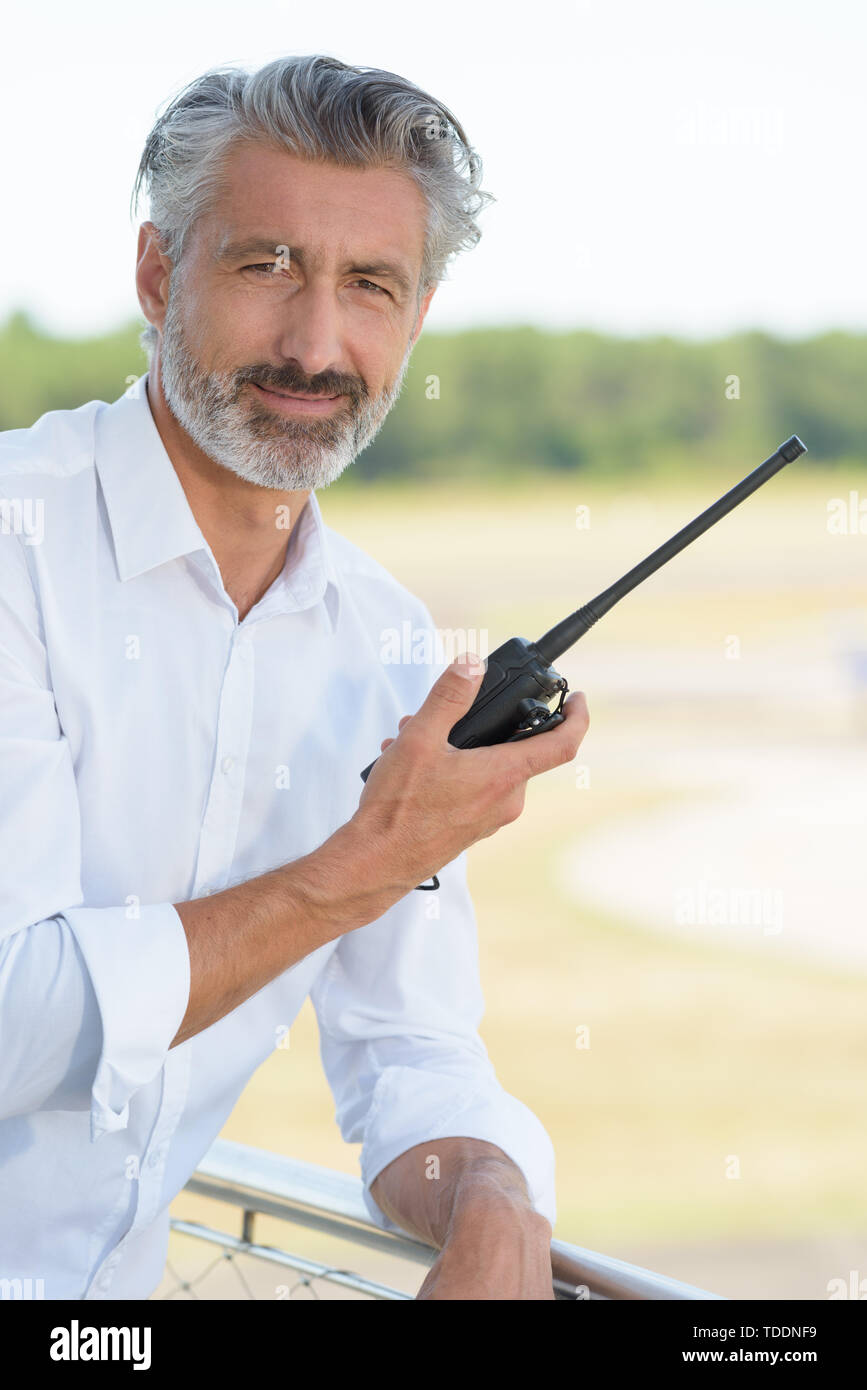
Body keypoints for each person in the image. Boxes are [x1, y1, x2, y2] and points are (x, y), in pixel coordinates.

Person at [0, 53, 589, 1302]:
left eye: (370, 284)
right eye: (265, 265)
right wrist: (360, 866)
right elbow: (15, 1021)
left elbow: (409, 1046)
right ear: (159, 274)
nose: (317, 345)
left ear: (416, 316)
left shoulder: (385, 641)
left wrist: (492, 1192)